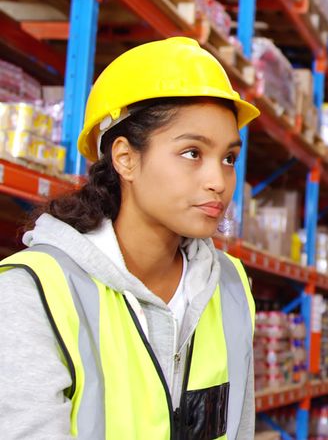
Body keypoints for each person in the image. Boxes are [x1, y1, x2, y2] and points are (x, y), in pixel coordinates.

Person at [0, 37, 261, 438]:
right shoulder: (32, 291)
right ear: (125, 158)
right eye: (192, 152)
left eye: (229, 158)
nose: (218, 181)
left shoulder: (230, 287)